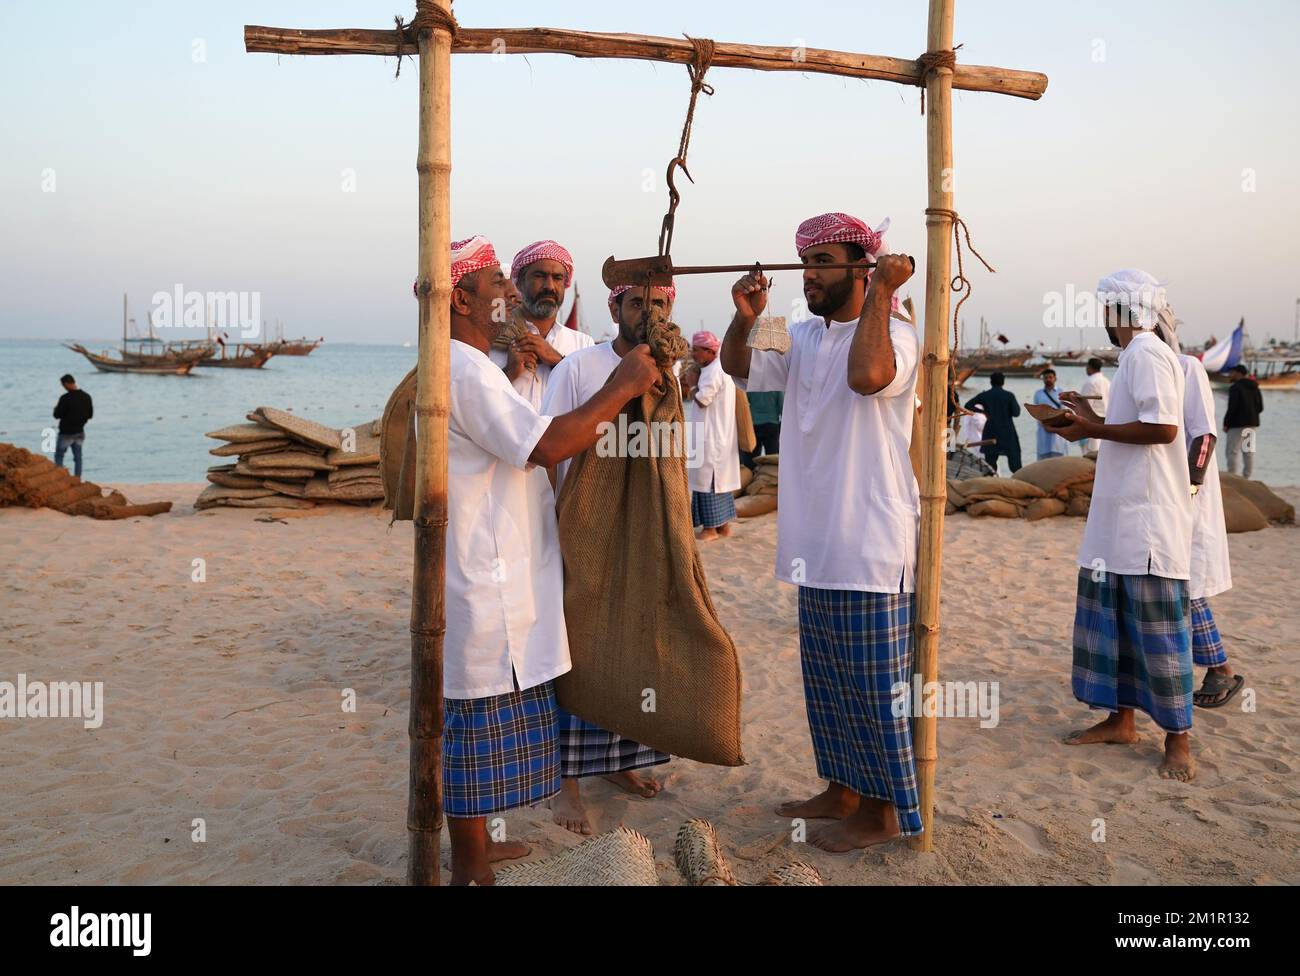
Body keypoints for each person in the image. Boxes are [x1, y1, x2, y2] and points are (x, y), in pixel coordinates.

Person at [439, 235, 660, 884]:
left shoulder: (476, 365)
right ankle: (471, 869)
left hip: (497, 561)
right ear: (460, 298)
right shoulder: (463, 368)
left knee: (477, 720)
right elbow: (550, 444)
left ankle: (476, 851)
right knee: (474, 724)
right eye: (497, 285)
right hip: (485, 572)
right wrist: (621, 388)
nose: (510, 295)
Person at [721, 211, 922, 850]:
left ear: (862, 267)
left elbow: (867, 378)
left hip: (871, 540)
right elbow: (737, 367)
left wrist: (885, 293)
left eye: (823, 262)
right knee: (827, 680)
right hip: (814, 544)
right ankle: (842, 788)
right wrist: (747, 315)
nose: (808, 272)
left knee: (872, 685)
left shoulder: (897, 333)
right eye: (804, 260)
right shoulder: (798, 332)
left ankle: (883, 811)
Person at [539, 280, 677, 835]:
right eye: (637, 303)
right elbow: (548, 443)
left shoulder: (669, 369)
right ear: (615, 308)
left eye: (660, 303)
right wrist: (549, 521)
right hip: (583, 524)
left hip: (641, 528)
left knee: (633, 646)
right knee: (576, 648)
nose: (649, 313)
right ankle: (565, 783)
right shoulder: (578, 367)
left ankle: (620, 763)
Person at [1055, 269, 1195, 782]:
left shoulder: (1147, 353)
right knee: (1113, 626)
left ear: (1118, 310)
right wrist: (1088, 411)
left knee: (1159, 633)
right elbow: (1132, 420)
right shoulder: (1133, 357)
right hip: (1118, 519)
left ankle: (1179, 739)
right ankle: (1122, 721)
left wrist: (1090, 427)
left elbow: (1162, 428)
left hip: (1148, 523)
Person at [1149, 308, 1244, 710]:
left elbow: (1204, 435)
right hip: (1162, 496)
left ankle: (1219, 667)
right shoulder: (1146, 369)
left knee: (1184, 584)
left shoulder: (1187, 368)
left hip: (1186, 495)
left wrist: (1188, 487)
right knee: (1176, 584)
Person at [488, 240, 595, 410]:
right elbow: (474, 404)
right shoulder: (492, 340)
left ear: (565, 285)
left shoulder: (583, 344)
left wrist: (559, 362)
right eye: (539, 276)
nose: (549, 286)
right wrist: (509, 372)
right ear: (520, 283)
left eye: (557, 278)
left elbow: (594, 402)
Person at [681, 331, 740, 541]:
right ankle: (723, 527)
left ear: (708, 351)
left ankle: (711, 529)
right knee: (718, 482)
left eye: (696, 350)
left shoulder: (713, 371)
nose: (692, 354)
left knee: (709, 483)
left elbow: (702, 399)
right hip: (718, 437)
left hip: (712, 439)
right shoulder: (719, 368)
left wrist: (692, 382)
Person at [964, 372, 1021, 474]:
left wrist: (983, 412)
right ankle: (1020, 484)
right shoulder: (1009, 396)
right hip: (1007, 432)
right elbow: (1016, 413)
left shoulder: (984, 395)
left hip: (991, 431)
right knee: (1015, 463)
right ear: (1003, 382)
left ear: (991, 382)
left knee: (990, 464)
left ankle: (992, 483)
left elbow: (968, 405)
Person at [1222, 363, 1263, 478]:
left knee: (1232, 451)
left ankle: (1233, 476)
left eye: (1232, 372)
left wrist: (1226, 423)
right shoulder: (1255, 387)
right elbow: (1260, 407)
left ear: (1238, 373)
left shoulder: (1235, 388)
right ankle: (1247, 477)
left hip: (1236, 425)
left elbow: (1232, 408)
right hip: (1252, 424)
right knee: (1248, 452)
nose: (1230, 375)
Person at [53, 374, 93, 477]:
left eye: (63, 385)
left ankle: (59, 478)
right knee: (78, 458)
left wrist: (55, 409)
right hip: (80, 431)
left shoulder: (65, 398)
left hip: (66, 432)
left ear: (66, 384)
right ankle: (77, 479)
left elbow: (57, 415)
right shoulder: (86, 396)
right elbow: (90, 415)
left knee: (59, 456)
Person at [1031, 368, 1069, 460]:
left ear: (1055, 378)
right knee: (1043, 464)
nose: (1048, 379)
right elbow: (1036, 412)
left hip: (1058, 432)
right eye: (1046, 377)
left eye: (1050, 377)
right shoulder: (1038, 394)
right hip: (1043, 431)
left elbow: (1064, 411)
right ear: (1043, 379)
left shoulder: (1061, 393)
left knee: (1060, 462)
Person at [1078, 357, 1110, 454]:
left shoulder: (1090, 382)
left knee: (1090, 458)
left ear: (1089, 367)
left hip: (1092, 426)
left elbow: (1084, 406)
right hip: (1106, 424)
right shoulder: (1107, 382)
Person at [747, 389, 784, 459]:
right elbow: (782, 406)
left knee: (752, 460)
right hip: (771, 425)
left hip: (754, 425)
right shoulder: (776, 386)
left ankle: (753, 469)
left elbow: (745, 401)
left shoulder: (752, 385)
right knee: (773, 458)